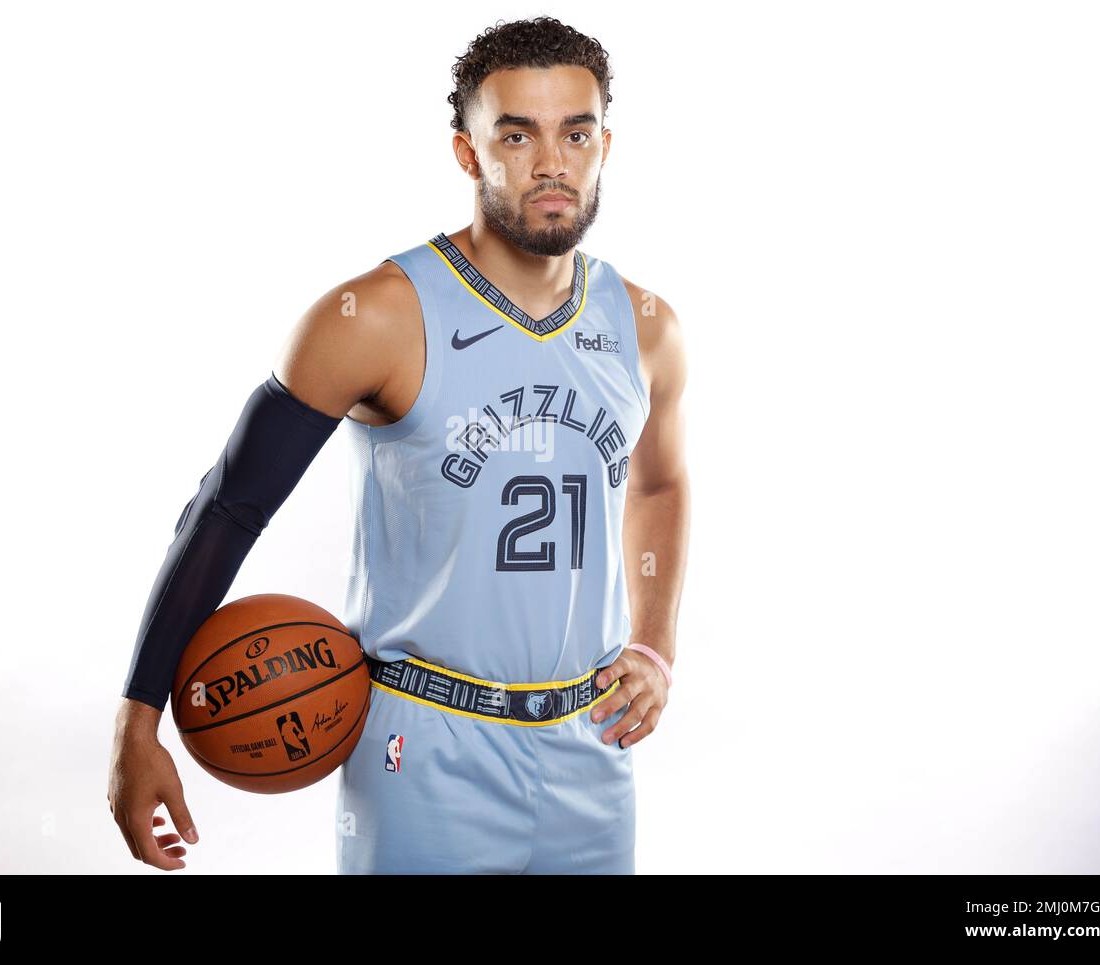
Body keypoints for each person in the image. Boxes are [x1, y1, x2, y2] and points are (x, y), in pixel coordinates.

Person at [108, 15, 689, 874]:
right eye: (516, 135)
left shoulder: (646, 327)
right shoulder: (376, 316)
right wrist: (137, 719)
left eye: (576, 132)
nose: (552, 163)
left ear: (606, 143)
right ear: (468, 153)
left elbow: (660, 486)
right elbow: (229, 505)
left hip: (591, 747)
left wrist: (653, 646)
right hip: (423, 751)